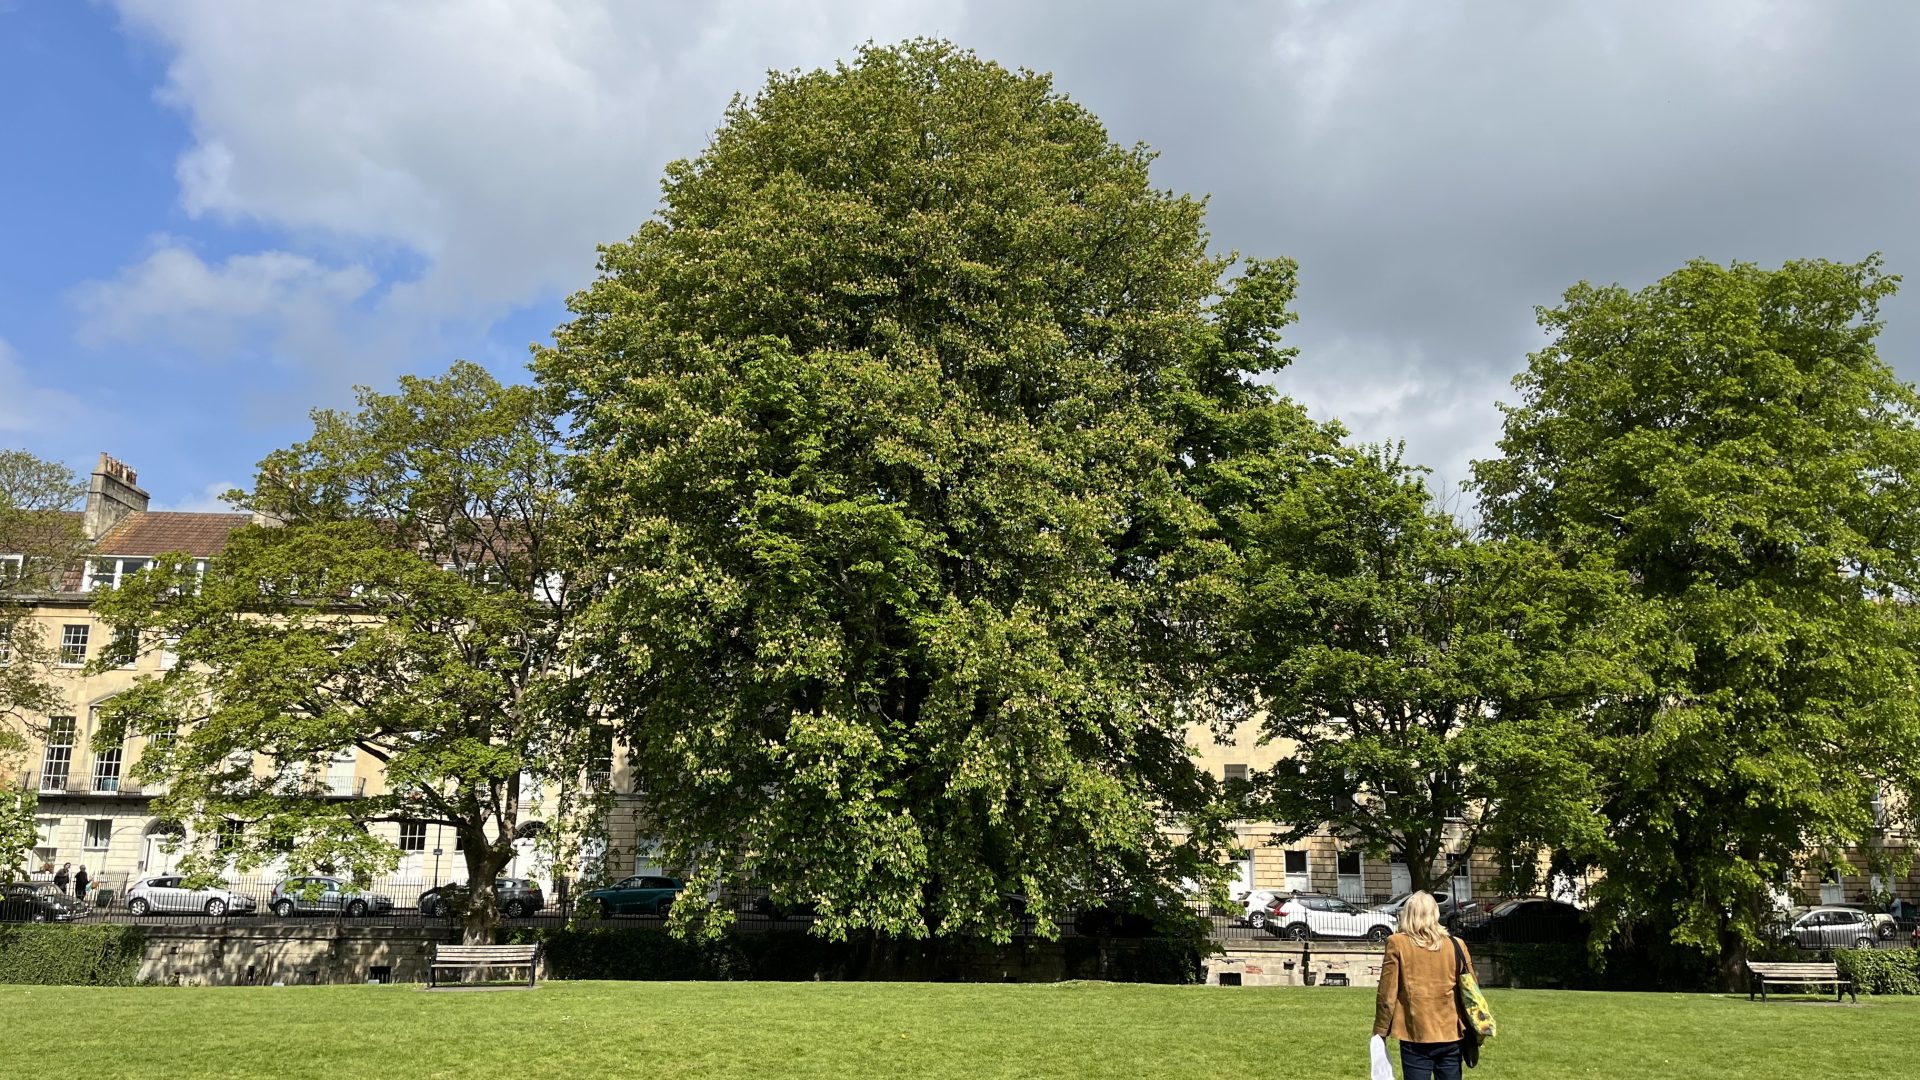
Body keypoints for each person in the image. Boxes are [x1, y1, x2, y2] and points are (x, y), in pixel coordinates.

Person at [1373, 890, 1475, 1080]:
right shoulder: (1457, 944)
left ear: (1408, 914)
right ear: (1435, 914)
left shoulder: (1397, 943)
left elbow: (1387, 994)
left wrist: (1380, 1031)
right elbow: (1471, 988)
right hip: (1450, 1031)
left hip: (1415, 1033)